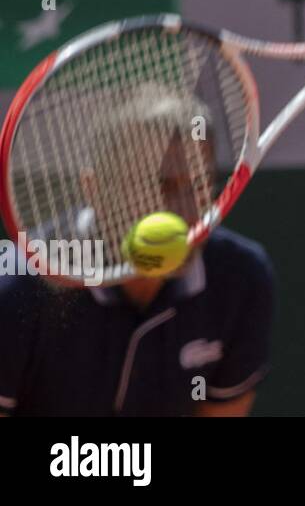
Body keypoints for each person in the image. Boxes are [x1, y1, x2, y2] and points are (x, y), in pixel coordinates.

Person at [0, 85, 274, 417]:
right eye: (161, 185)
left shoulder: (241, 277)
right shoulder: (18, 287)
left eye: (199, 184)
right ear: (95, 189)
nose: (187, 211)